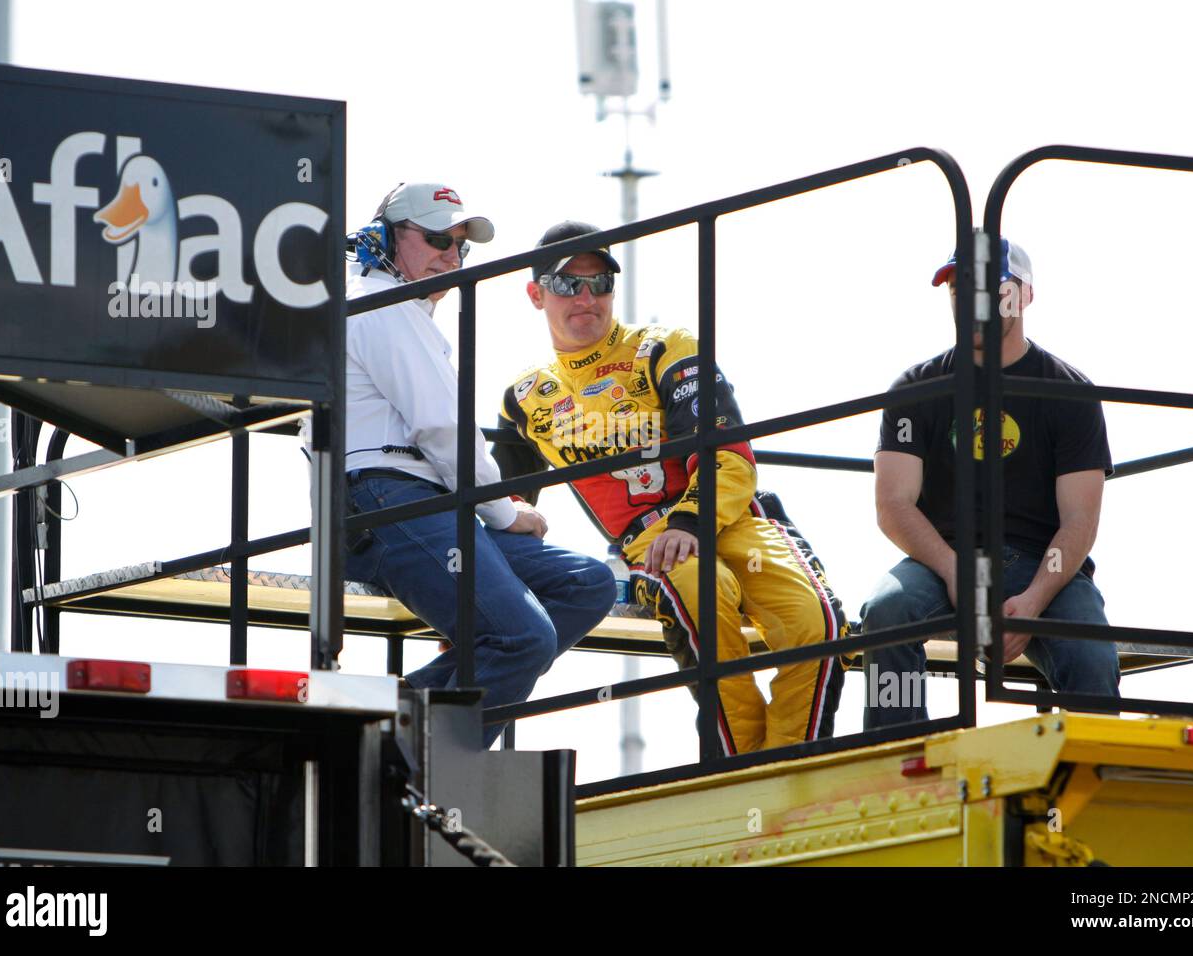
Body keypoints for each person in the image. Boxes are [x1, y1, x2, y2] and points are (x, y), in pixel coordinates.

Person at [492, 221, 847, 756]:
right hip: (645, 542)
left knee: (813, 619)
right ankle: (747, 767)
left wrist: (690, 520)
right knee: (702, 590)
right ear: (536, 294)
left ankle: (793, 761)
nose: (586, 298)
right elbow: (503, 500)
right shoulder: (524, 396)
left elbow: (728, 450)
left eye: (601, 283)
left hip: (731, 517)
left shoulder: (664, 347)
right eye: (568, 285)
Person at [337, 187, 617, 749]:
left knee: (587, 583)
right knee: (522, 638)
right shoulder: (383, 306)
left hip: (418, 503)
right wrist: (501, 510)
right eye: (437, 238)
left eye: (460, 245)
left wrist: (491, 507)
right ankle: (423, 761)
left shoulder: (399, 310)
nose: (451, 255)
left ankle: (394, 717)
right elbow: (443, 429)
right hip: (389, 502)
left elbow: (441, 433)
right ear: (387, 238)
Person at [861, 240, 1119, 730]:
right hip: (942, 559)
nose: (968, 299)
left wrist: (1035, 600)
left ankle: (1087, 791)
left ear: (1022, 296)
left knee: (1091, 655)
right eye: (958, 288)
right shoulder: (916, 387)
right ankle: (902, 766)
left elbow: (1081, 519)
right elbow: (892, 504)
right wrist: (954, 570)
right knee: (886, 612)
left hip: (1043, 565)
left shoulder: (1069, 391)